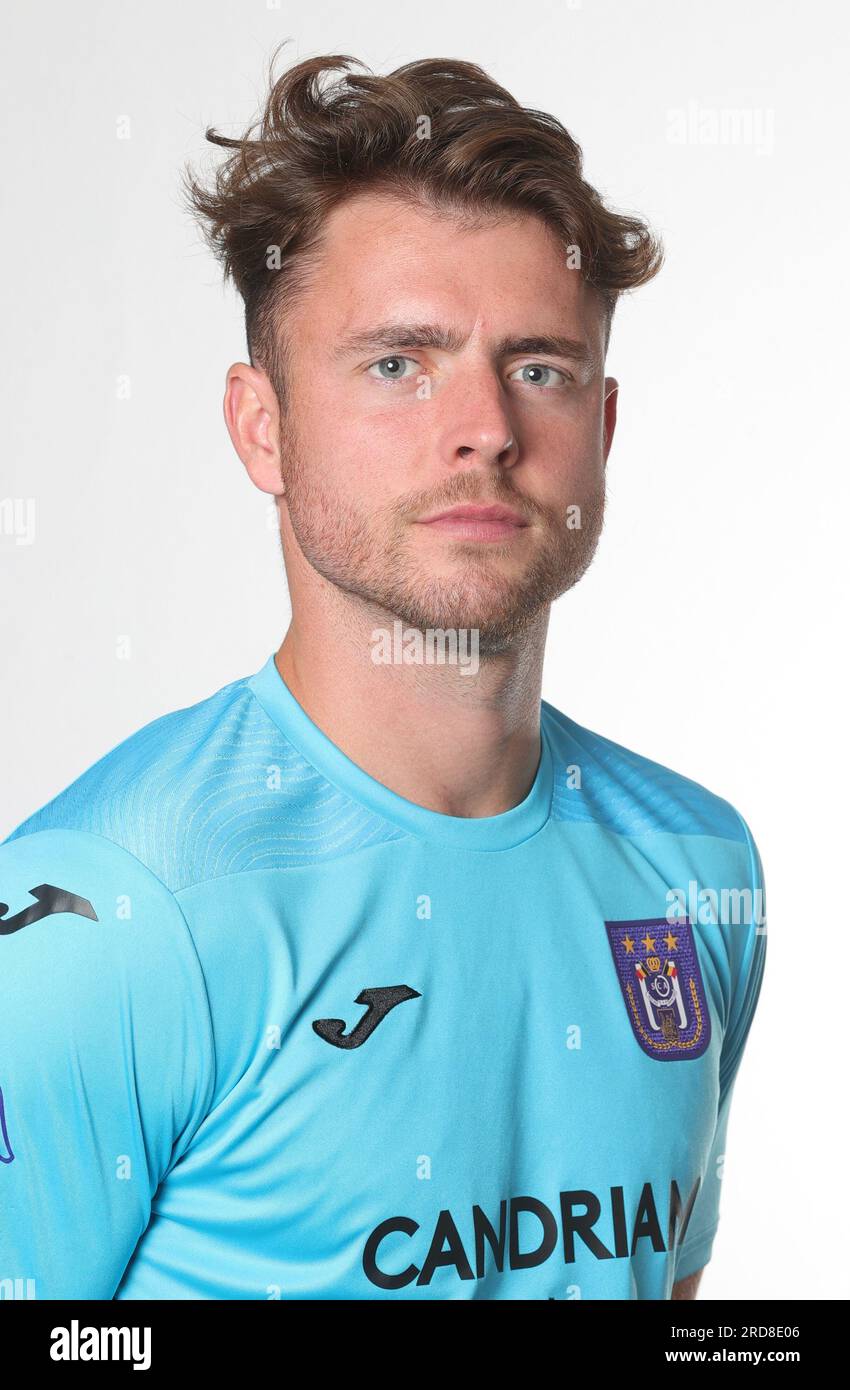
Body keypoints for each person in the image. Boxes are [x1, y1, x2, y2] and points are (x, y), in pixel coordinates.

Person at [0, 46, 766, 1301]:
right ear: (263, 427)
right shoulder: (106, 916)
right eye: (397, 363)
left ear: (603, 428)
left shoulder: (695, 866)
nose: (485, 427)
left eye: (538, 367)